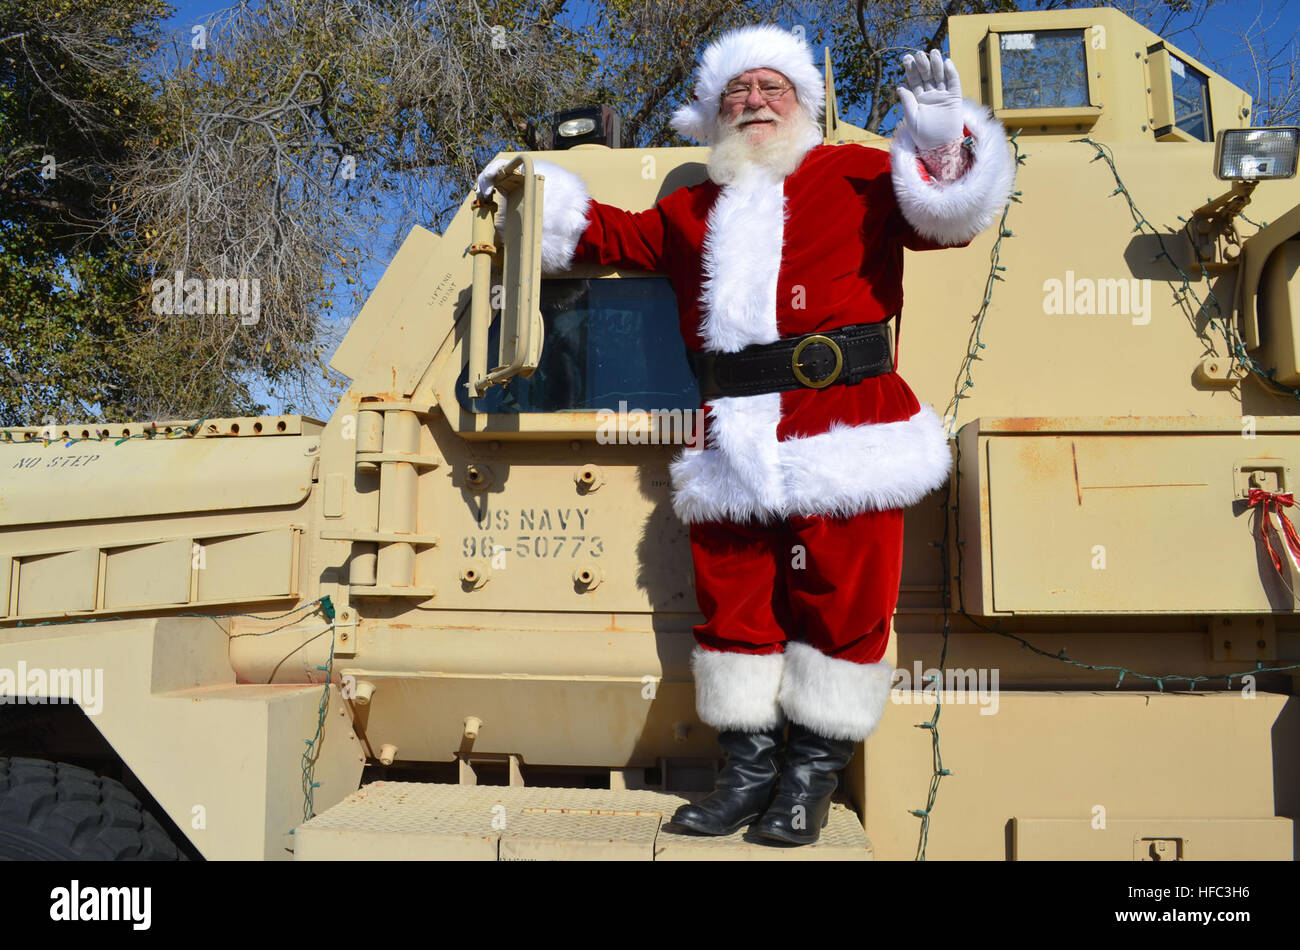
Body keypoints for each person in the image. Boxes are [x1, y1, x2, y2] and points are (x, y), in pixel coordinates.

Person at [475, 24, 1015, 845]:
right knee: (734, 606)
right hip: (733, 438)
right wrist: (531, 192)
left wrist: (947, 151)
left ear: (804, 104)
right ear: (711, 113)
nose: (754, 102)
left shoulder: (862, 174)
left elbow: (949, 222)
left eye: (771, 89)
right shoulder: (691, 207)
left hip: (846, 432)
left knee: (844, 607)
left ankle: (810, 783)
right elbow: (607, 238)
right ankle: (747, 773)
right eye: (737, 93)